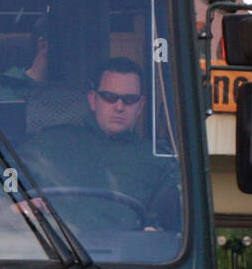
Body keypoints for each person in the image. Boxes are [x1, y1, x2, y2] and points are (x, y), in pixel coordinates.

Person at [21, 57, 180, 231]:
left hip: (130, 256)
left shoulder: (159, 160)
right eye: (110, 97)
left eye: (129, 99)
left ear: (141, 106)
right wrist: (16, 202)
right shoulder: (51, 142)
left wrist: (156, 232)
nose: (119, 107)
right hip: (54, 252)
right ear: (92, 99)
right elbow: (5, 174)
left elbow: (172, 223)